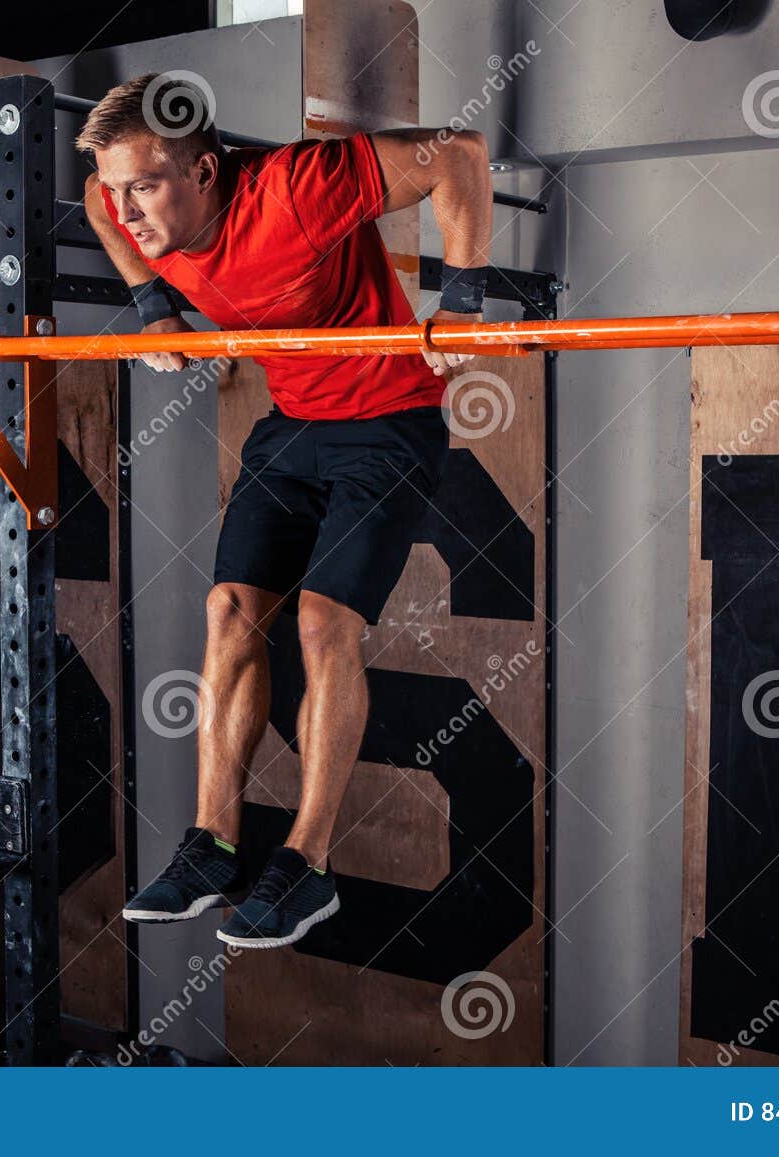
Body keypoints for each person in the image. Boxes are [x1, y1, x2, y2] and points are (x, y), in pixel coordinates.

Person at [77, 74, 493, 949]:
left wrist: (460, 301)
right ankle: (213, 844)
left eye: (146, 185)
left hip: (388, 421)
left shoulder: (297, 191)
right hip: (294, 420)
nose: (128, 210)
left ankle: (306, 864)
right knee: (228, 611)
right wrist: (153, 307)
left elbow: (457, 155)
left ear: (206, 170)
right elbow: (93, 197)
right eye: (119, 189)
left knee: (319, 623)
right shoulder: (126, 202)